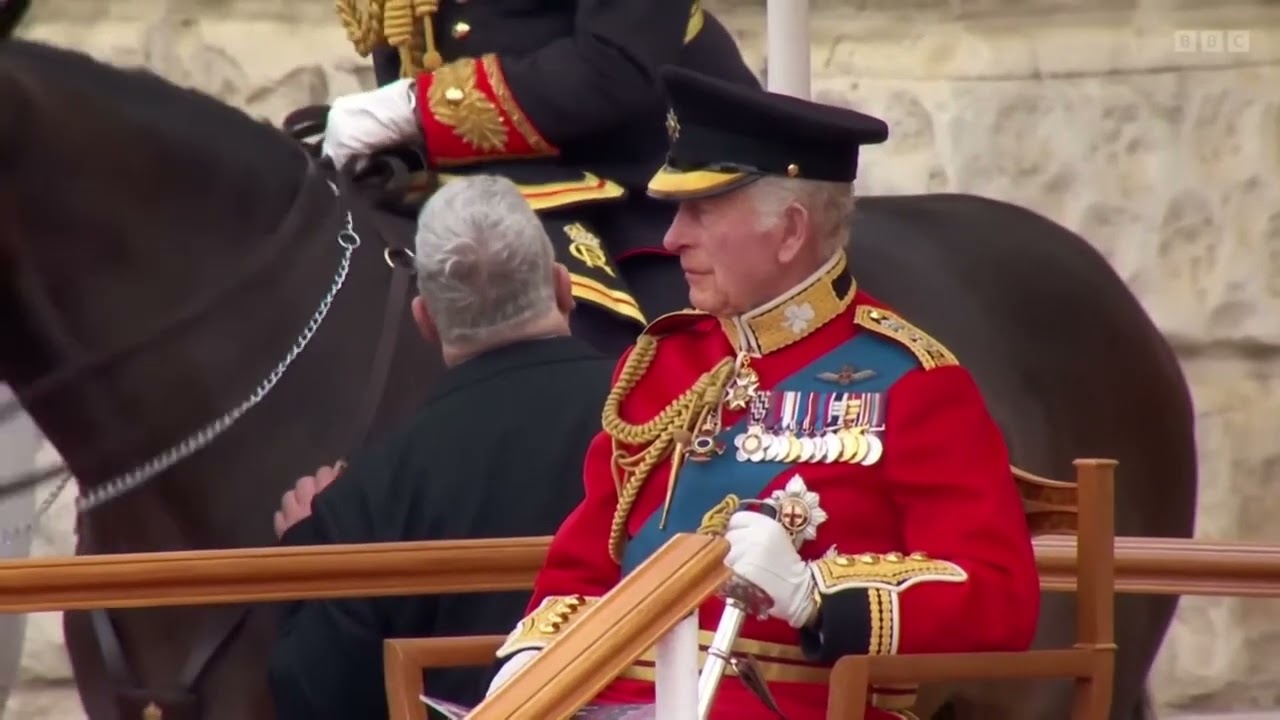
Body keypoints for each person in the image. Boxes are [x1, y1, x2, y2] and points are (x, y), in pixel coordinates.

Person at [479, 67, 1042, 719]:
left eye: (702, 211)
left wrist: (815, 596)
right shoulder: (663, 361)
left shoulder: (910, 381)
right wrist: (528, 671)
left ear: (791, 230)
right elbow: (585, 563)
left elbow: (997, 597)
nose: (671, 238)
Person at [266, 175, 618, 719]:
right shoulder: (659, 416)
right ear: (563, 286)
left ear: (425, 321)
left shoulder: (368, 495)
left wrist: (309, 558)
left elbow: (320, 699)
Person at [322, 1, 763, 357]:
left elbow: (615, 65)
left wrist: (419, 108)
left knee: (626, 352)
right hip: (481, 160)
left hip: (649, 165)